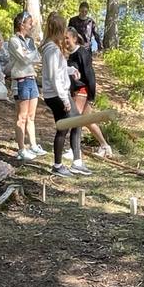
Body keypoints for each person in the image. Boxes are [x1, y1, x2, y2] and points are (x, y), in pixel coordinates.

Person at [41, 12, 90, 177]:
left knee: (76, 122)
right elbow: (54, 77)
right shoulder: (52, 50)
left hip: (56, 93)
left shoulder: (51, 46)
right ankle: (57, 165)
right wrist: (64, 99)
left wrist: (70, 70)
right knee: (63, 128)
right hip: (56, 94)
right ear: (59, 29)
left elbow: (57, 70)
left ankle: (77, 162)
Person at [67, 1, 111, 157]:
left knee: (75, 118)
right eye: (82, 10)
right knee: (88, 119)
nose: (84, 13)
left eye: (86, 10)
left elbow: (89, 76)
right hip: (77, 87)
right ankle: (105, 145)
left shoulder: (91, 23)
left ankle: (73, 150)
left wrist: (90, 95)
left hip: (82, 88)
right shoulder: (73, 21)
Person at [7, 10, 43, 160]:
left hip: (31, 79)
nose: (31, 26)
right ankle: (21, 149)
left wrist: (32, 54)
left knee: (31, 116)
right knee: (21, 116)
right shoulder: (13, 41)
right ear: (21, 24)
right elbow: (24, 59)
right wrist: (32, 54)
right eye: (29, 23)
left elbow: (37, 58)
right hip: (20, 80)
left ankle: (33, 145)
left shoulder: (29, 42)